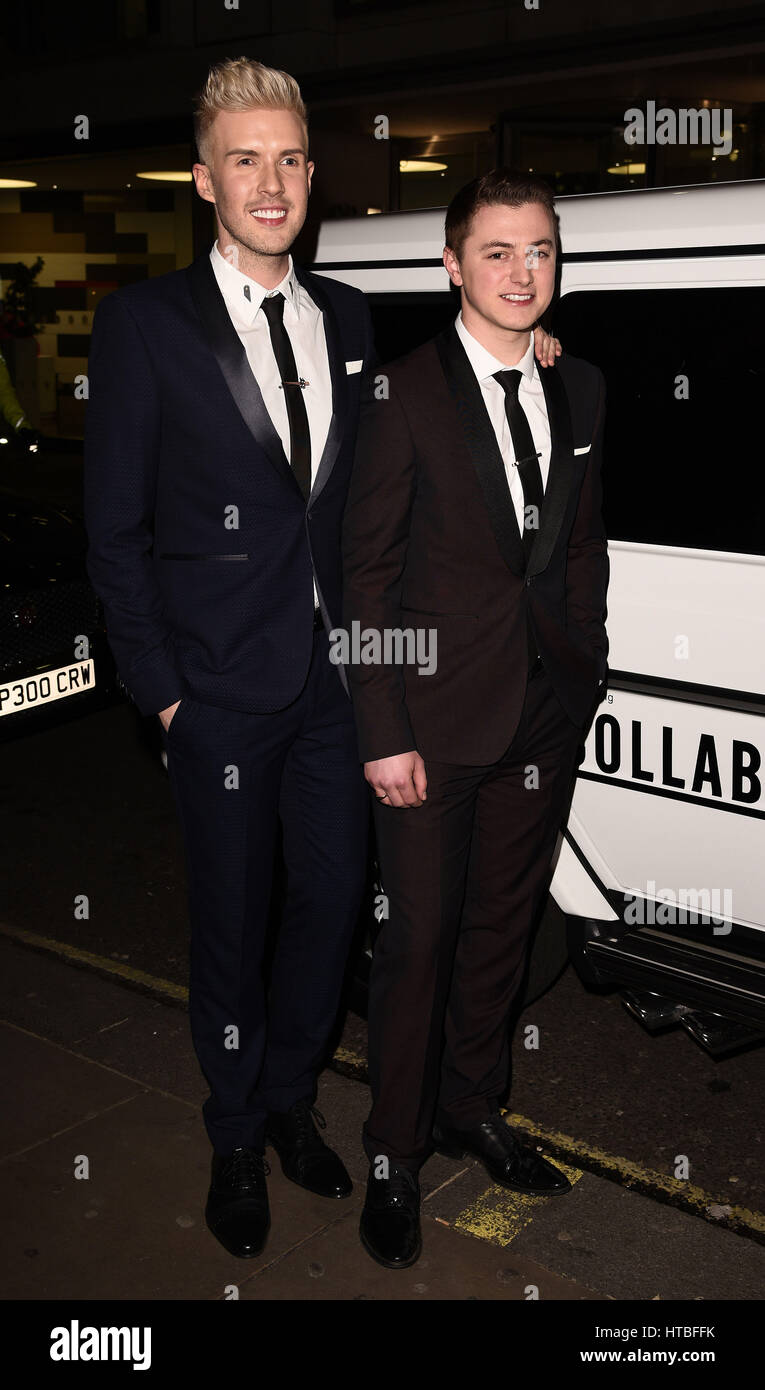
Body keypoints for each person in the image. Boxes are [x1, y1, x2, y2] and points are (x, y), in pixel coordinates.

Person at [84, 60, 561, 1260]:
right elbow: (116, 533)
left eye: (291, 158)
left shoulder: (347, 317)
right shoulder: (146, 326)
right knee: (234, 922)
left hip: (337, 684)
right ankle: (236, 1129)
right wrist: (166, 694)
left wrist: (534, 341)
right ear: (204, 179)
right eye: (245, 159)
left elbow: (441, 393)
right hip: (218, 694)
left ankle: (292, 1094)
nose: (272, 181)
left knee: (332, 908)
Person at [342, 169, 609, 1269]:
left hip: (541, 719)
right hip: (430, 732)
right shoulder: (402, 393)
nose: (520, 272)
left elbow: (575, 548)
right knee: (418, 946)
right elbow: (364, 578)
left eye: (539, 250)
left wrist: (585, 671)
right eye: (496, 252)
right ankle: (396, 1153)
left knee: (505, 932)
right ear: (452, 265)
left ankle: (472, 1106)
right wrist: (381, 730)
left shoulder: (580, 383)